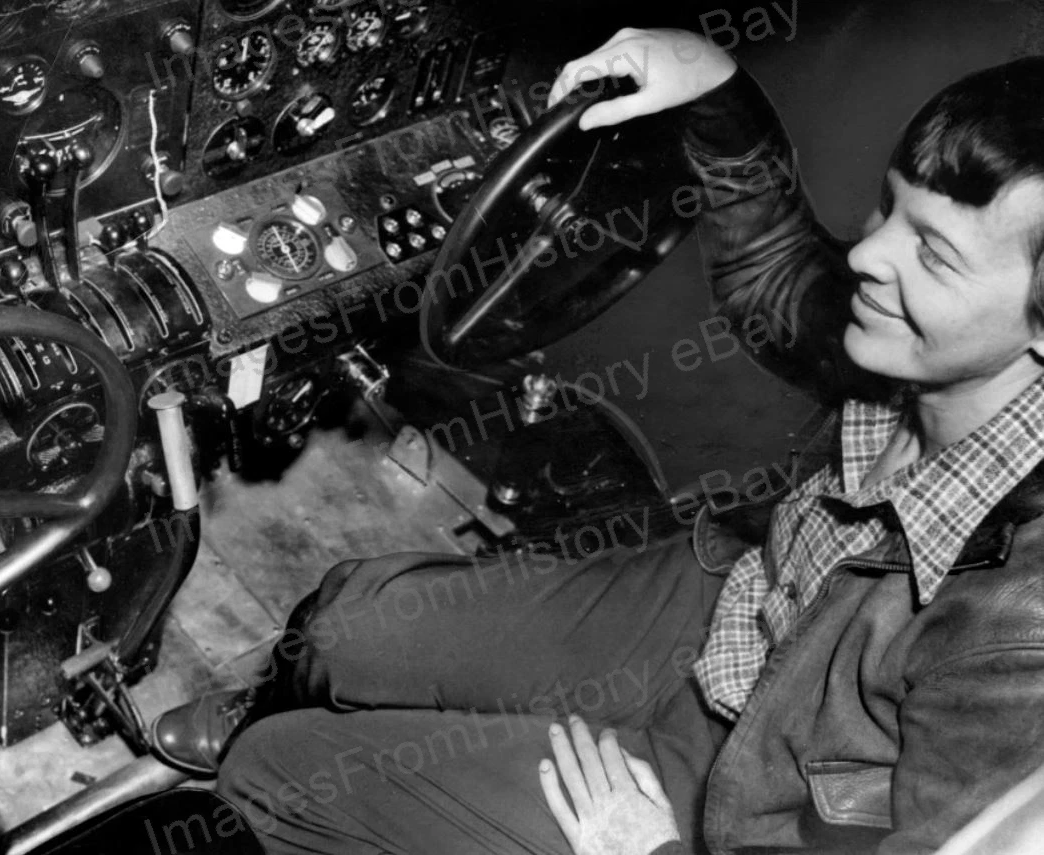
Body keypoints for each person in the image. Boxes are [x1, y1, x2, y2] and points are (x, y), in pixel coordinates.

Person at [150, 26, 1044, 854]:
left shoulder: (1019, 643)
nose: (866, 255)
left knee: (274, 776)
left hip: (744, 796)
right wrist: (712, 82)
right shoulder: (923, 351)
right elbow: (781, 275)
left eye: (931, 253)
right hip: (741, 601)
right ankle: (286, 703)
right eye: (890, 209)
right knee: (343, 624)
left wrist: (647, 845)